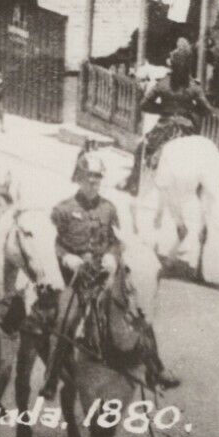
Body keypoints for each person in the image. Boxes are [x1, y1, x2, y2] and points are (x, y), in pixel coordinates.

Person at [41, 150, 178, 398]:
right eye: (89, 177)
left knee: (138, 309)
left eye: (97, 177)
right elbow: (52, 243)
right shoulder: (62, 209)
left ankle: (156, 367)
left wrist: (112, 256)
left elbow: (116, 241)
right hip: (77, 280)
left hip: (105, 276)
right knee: (67, 319)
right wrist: (66, 257)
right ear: (79, 178)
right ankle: (51, 379)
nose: (93, 182)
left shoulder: (109, 208)